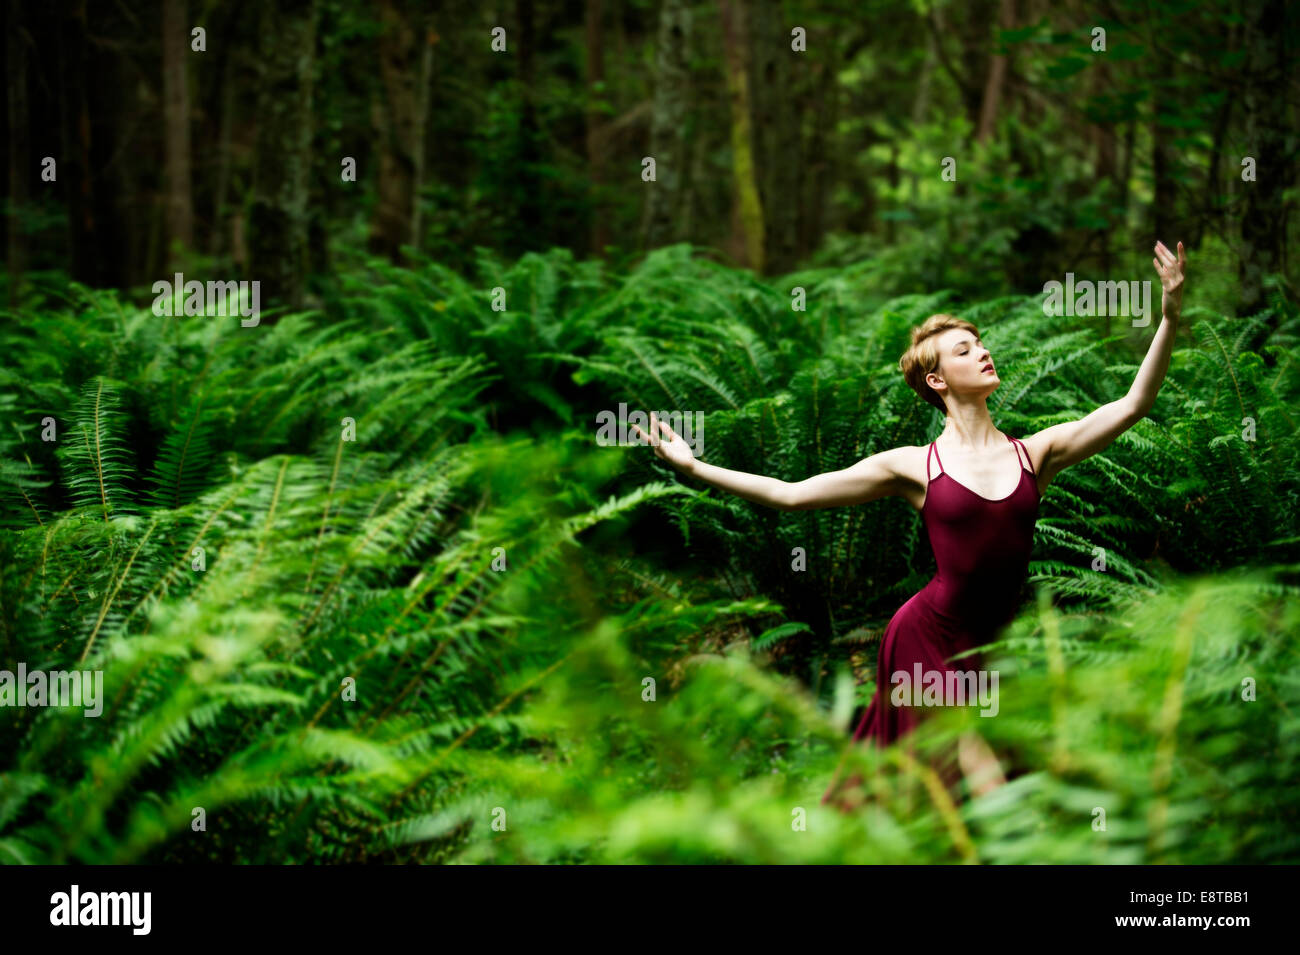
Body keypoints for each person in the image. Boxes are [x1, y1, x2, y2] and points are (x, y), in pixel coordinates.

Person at [632, 240, 1187, 807]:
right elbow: (792, 495)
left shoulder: (1035, 454)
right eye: (965, 350)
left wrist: (1167, 317)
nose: (984, 353)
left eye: (981, 344)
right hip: (927, 635)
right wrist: (695, 466)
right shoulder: (914, 467)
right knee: (985, 776)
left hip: (990, 644)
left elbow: (1131, 405)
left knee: (976, 782)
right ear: (939, 381)